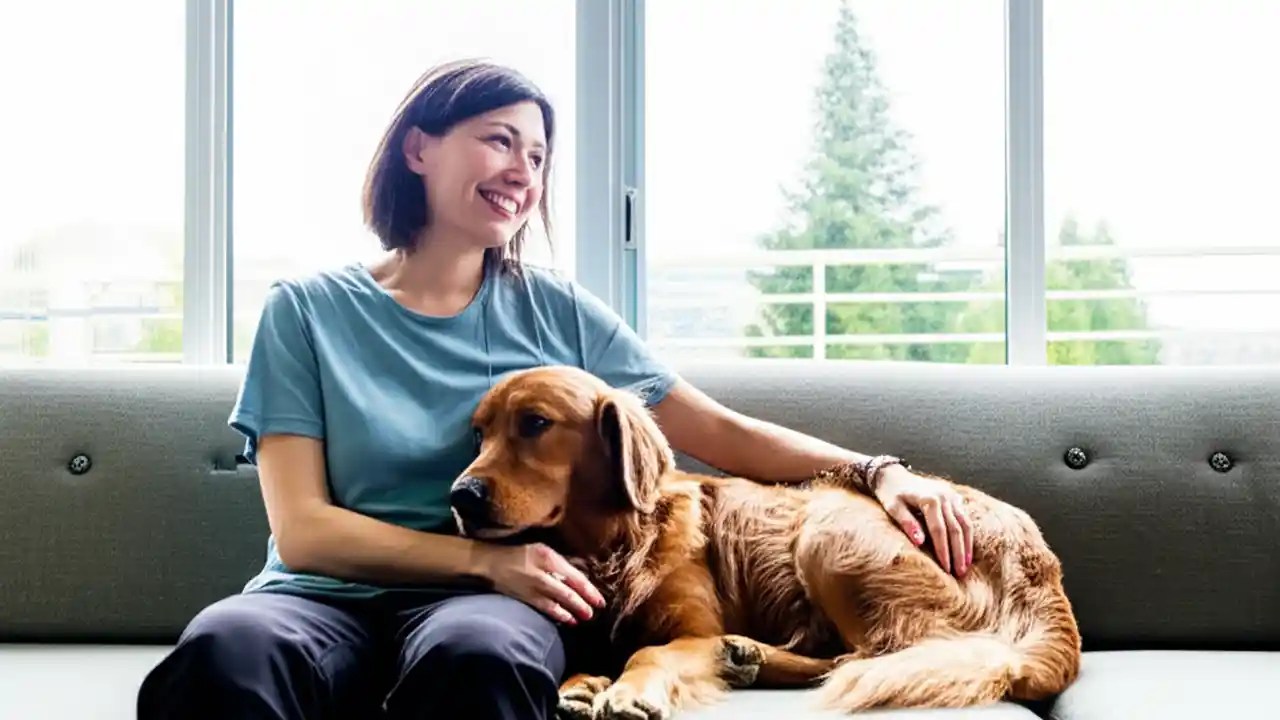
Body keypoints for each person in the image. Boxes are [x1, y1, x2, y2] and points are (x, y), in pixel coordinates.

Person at [136, 58, 973, 720]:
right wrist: (486, 559)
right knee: (224, 651)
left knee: (484, 661)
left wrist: (877, 470)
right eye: (499, 141)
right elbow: (306, 532)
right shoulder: (307, 311)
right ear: (418, 149)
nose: (522, 171)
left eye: (537, 156)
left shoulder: (559, 311)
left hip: (483, 609)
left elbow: (714, 431)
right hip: (323, 598)